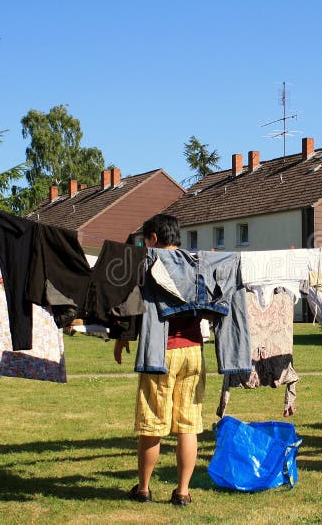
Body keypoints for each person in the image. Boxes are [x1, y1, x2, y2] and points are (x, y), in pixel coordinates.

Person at [114, 214, 204, 506]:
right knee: (188, 424)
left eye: (145, 239)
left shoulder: (147, 264)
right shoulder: (197, 264)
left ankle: (143, 489)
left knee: (152, 422)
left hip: (160, 351)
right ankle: (182, 492)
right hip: (193, 352)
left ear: (153, 239)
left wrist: (123, 336)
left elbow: (133, 303)